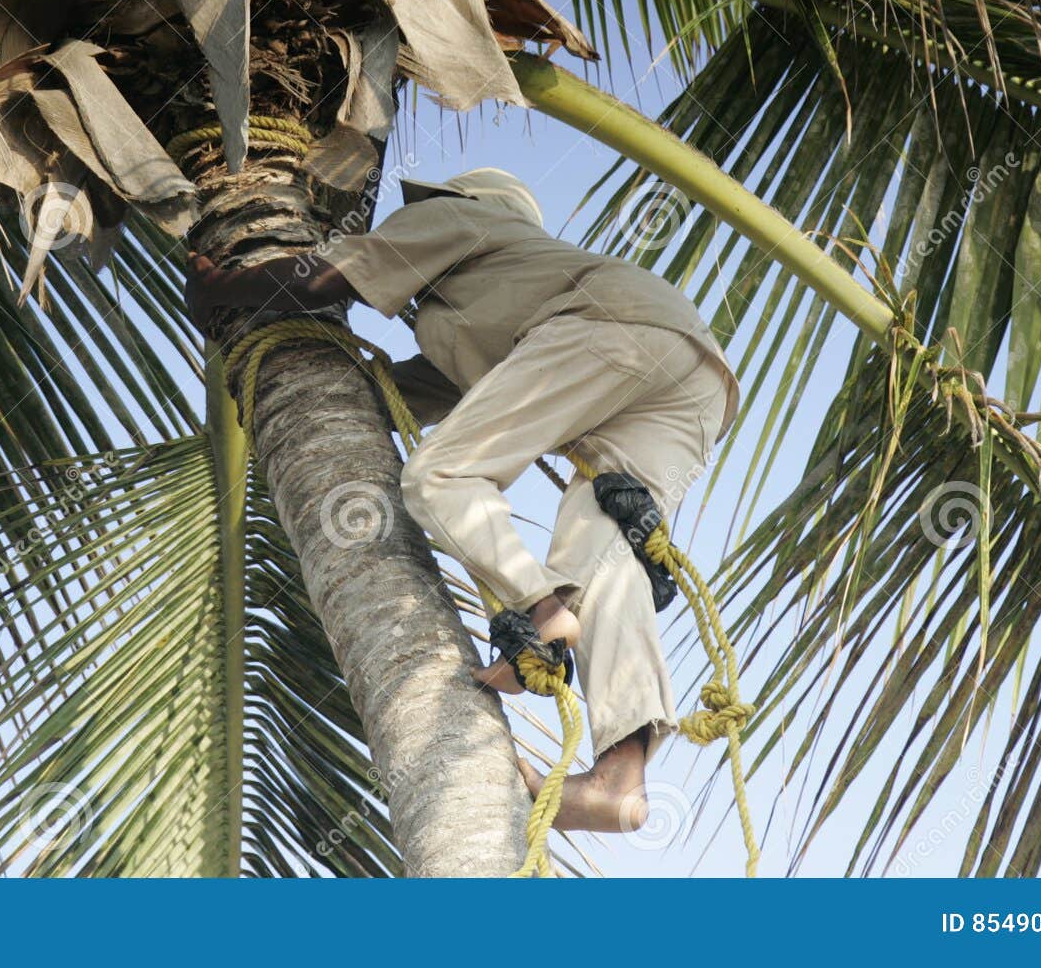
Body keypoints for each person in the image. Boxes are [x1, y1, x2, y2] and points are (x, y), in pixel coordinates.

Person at [185, 167, 739, 832]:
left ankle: (540, 608)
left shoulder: (461, 219)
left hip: (613, 328)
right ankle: (619, 780)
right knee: (604, 558)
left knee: (441, 477)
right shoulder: (488, 303)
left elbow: (324, 278)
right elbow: (408, 393)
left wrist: (220, 287)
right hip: (695, 386)